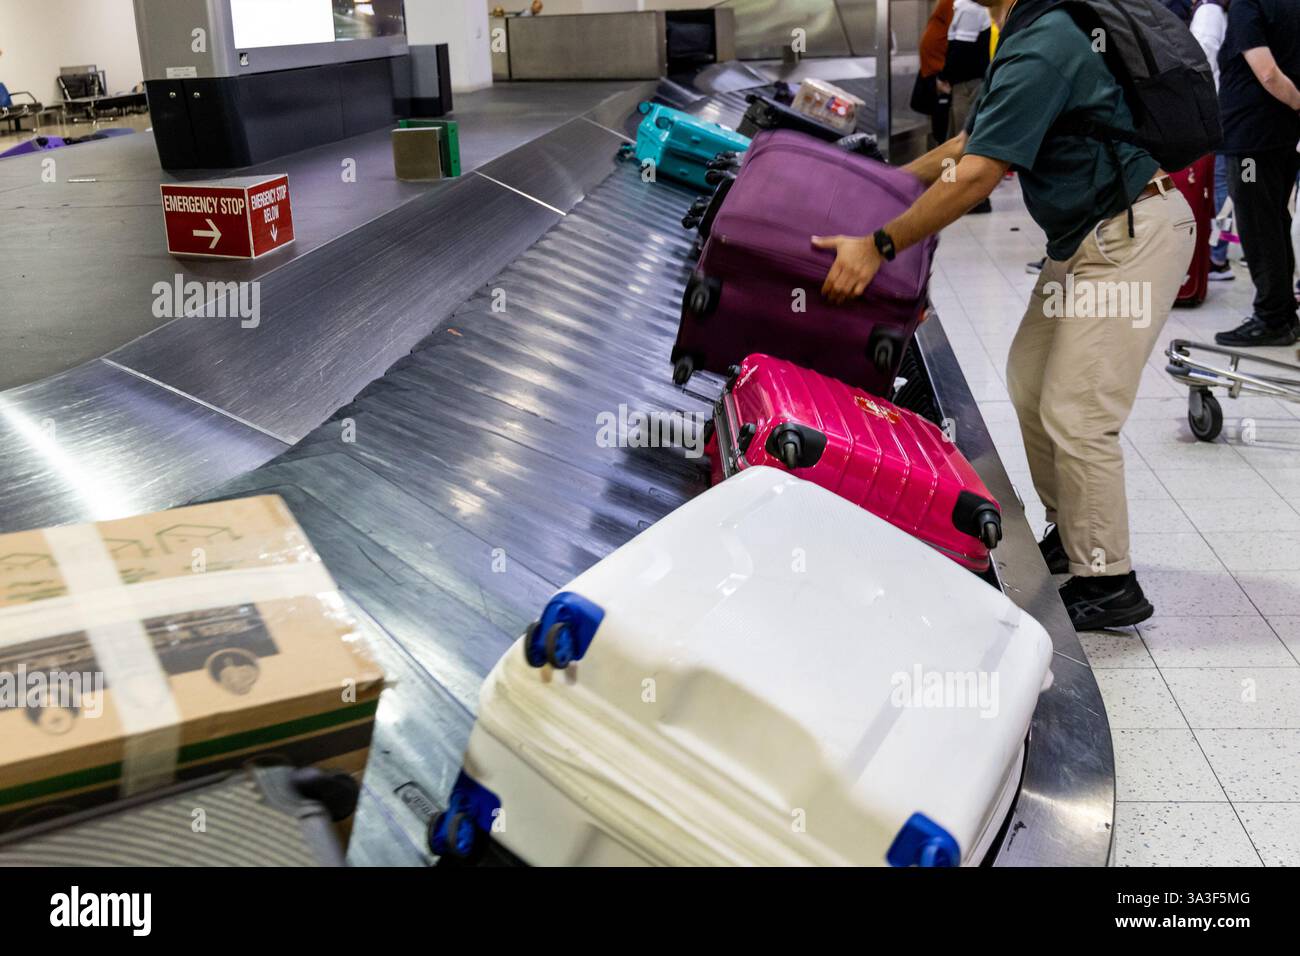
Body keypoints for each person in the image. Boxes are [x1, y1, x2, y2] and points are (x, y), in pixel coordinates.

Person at [812, 0, 1198, 630]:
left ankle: (1109, 577)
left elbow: (977, 175)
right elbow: (969, 144)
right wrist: (877, 185)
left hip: (1131, 234)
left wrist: (881, 243)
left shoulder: (1046, 39)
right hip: (1082, 239)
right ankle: (1072, 533)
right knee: (1029, 378)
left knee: (1078, 406)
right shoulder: (1017, 34)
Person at [1213, 0, 1300, 346]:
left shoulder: (1249, 5)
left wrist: (1297, 102)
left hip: (1251, 139)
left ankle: (1272, 318)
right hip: (1281, 136)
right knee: (1275, 221)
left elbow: (1266, 72)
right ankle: (1283, 313)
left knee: (1259, 226)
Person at [1190, 0, 1235, 280]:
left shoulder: (1209, 12)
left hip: (1215, 109)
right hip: (1224, 107)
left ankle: (1217, 255)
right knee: (1223, 188)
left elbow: (1201, 60)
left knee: (1220, 187)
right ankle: (1219, 253)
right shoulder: (1221, 11)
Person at [911, 0, 955, 148]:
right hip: (936, 67)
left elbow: (955, 34)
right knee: (939, 115)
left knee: (942, 117)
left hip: (939, 67)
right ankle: (940, 151)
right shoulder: (951, 3)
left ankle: (942, 151)